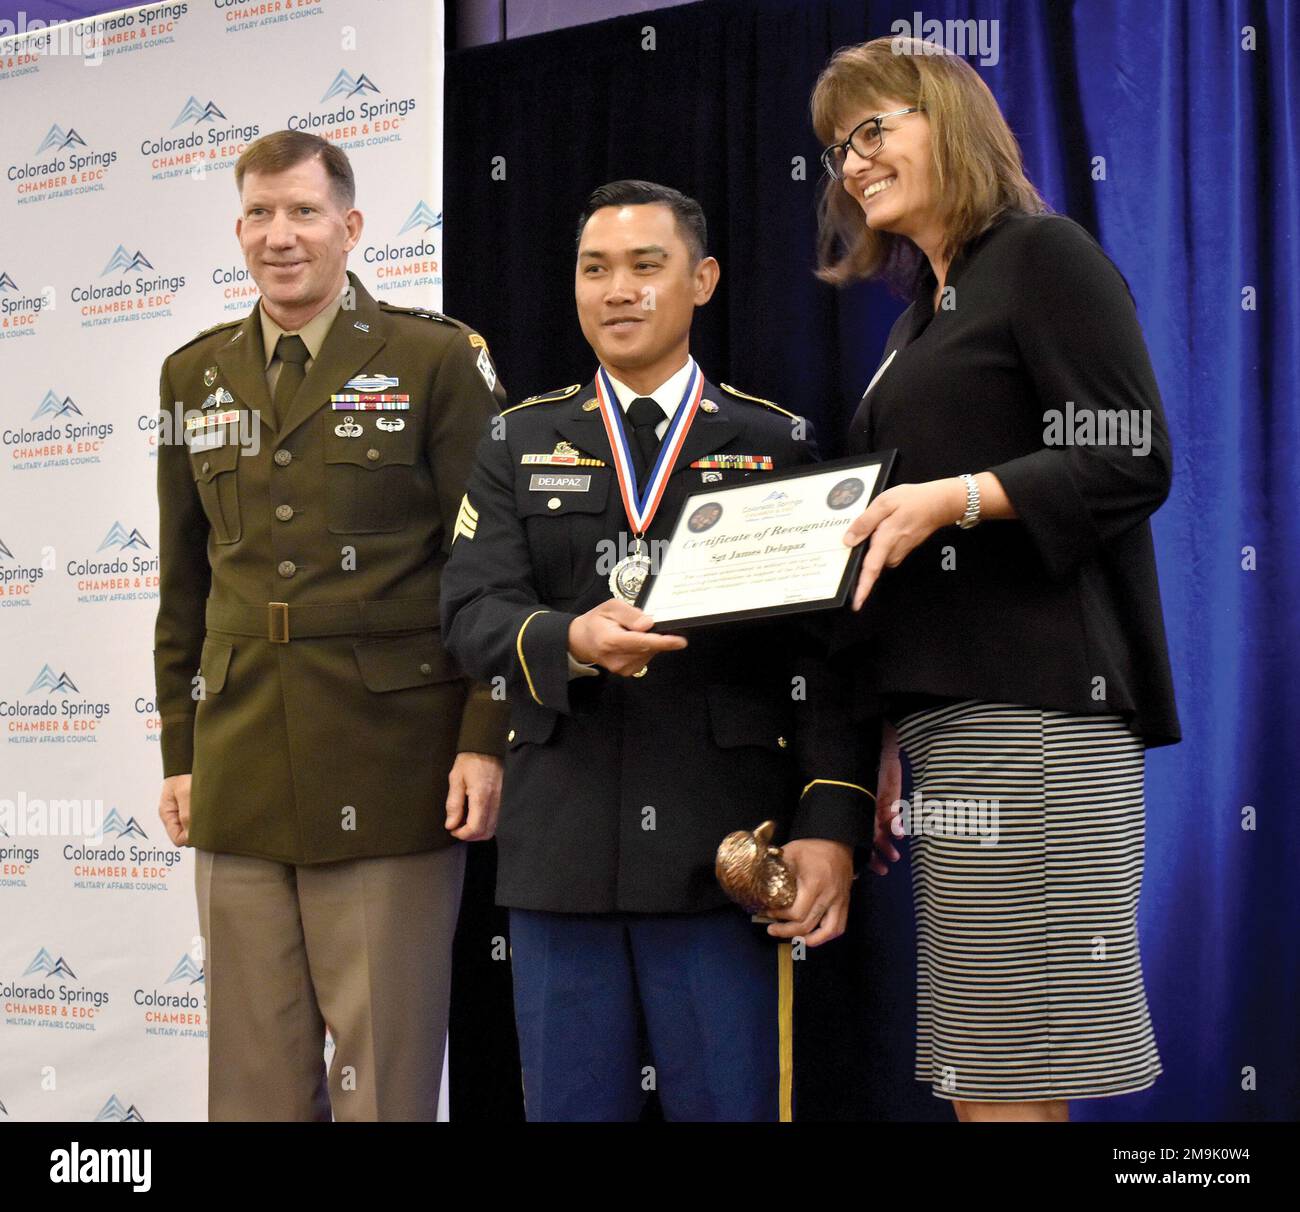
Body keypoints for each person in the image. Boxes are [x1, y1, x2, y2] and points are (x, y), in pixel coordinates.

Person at [440, 180, 876, 1122]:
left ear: (703, 279)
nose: (619, 290)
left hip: (725, 856)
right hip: (561, 855)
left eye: (647, 266)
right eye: (596, 269)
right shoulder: (519, 440)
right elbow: (472, 610)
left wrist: (832, 823)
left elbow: (832, 662)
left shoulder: (776, 442)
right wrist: (570, 641)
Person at [811, 37, 1181, 1122]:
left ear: (951, 119)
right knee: (989, 1071)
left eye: (875, 128)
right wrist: (885, 729)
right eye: (839, 145)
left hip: (1040, 725)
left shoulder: (1039, 256)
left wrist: (952, 498)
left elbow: (1129, 453)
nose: (853, 162)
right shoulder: (920, 316)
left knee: (1018, 1071)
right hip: (955, 729)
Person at [153, 130, 508, 1121]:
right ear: (238, 229)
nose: (281, 235)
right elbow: (185, 583)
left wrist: (486, 738)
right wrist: (180, 749)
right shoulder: (194, 376)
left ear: (349, 227)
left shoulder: (434, 359)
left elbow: (490, 568)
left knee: (382, 1077)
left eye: (303, 212)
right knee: (253, 1083)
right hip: (238, 759)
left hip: (390, 759)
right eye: (261, 214)